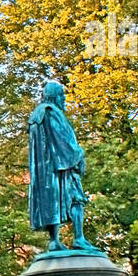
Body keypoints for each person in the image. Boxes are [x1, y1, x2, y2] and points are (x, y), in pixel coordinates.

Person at [28, 80, 96, 252]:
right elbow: (63, 140)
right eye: (62, 95)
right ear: (55, 96)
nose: (64, 98)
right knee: (76, 199)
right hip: (61, 167)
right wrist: (77, 154)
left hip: (44, 172)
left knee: (52, 203)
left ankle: (54, 240)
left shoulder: (37, 115)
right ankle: (79, 238)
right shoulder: (51, 112)